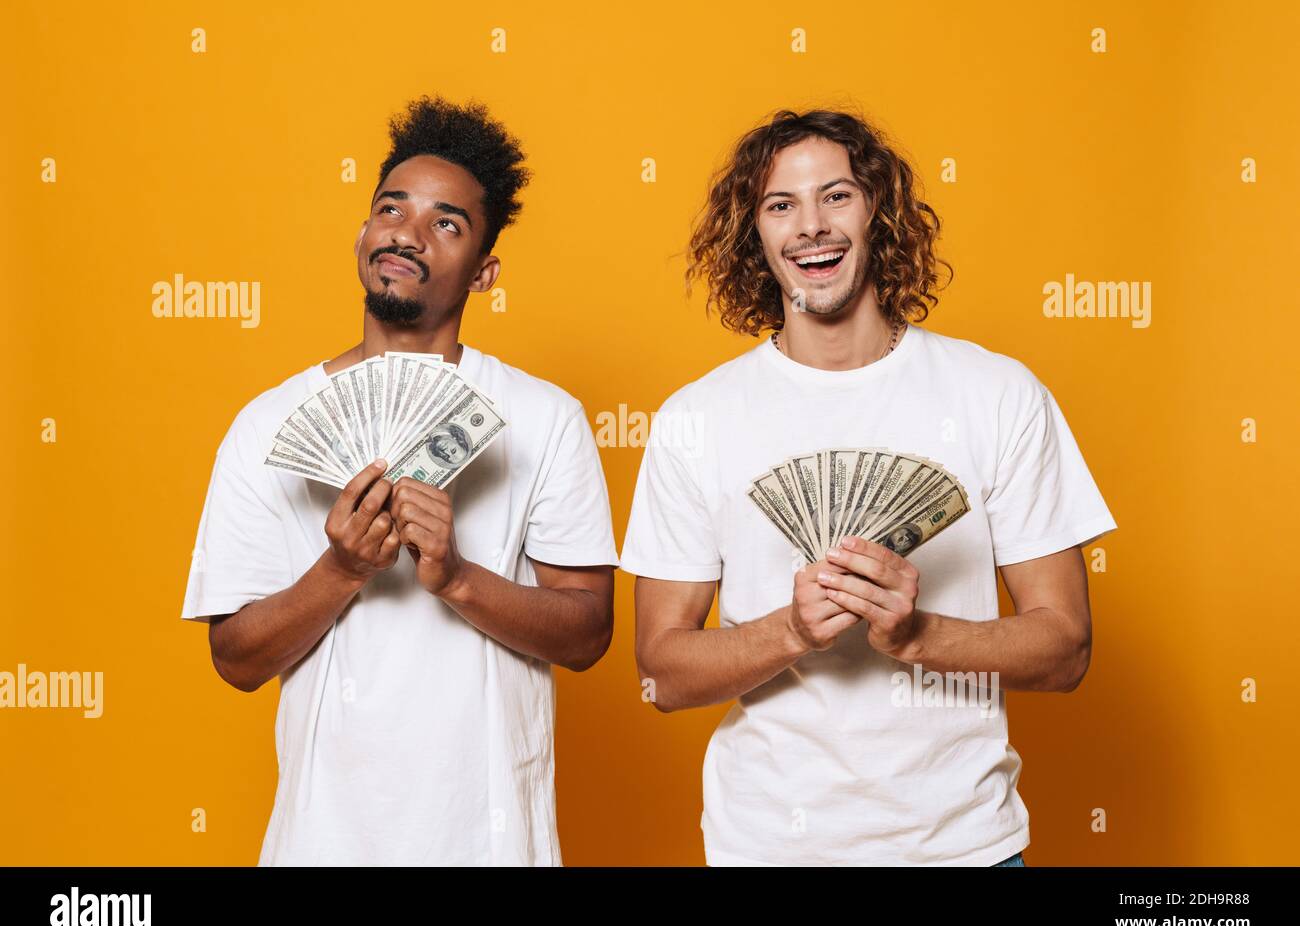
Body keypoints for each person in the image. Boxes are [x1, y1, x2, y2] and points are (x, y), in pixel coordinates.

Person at [620, 107, 1117, 866]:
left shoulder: (998, 394)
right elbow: (661, 671)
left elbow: (1066, 648)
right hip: (766, 848)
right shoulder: (697, 418)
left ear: (877, 210)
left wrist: (919, 636)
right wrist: (791, 629)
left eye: (837, 196)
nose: (811, 226)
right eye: (780, 205)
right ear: (754, 234)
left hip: (966, 847)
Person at [181, 95, 619, 865]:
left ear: (485, 272)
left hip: (494, 841)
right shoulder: (264, 424)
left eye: (446, 223)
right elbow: (236, 659)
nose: (408, 234)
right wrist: (340, 569)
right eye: (392, 208)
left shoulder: (545, 418)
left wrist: (457, 579)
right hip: (322, 841)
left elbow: (588, 634)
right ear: (363, 231)